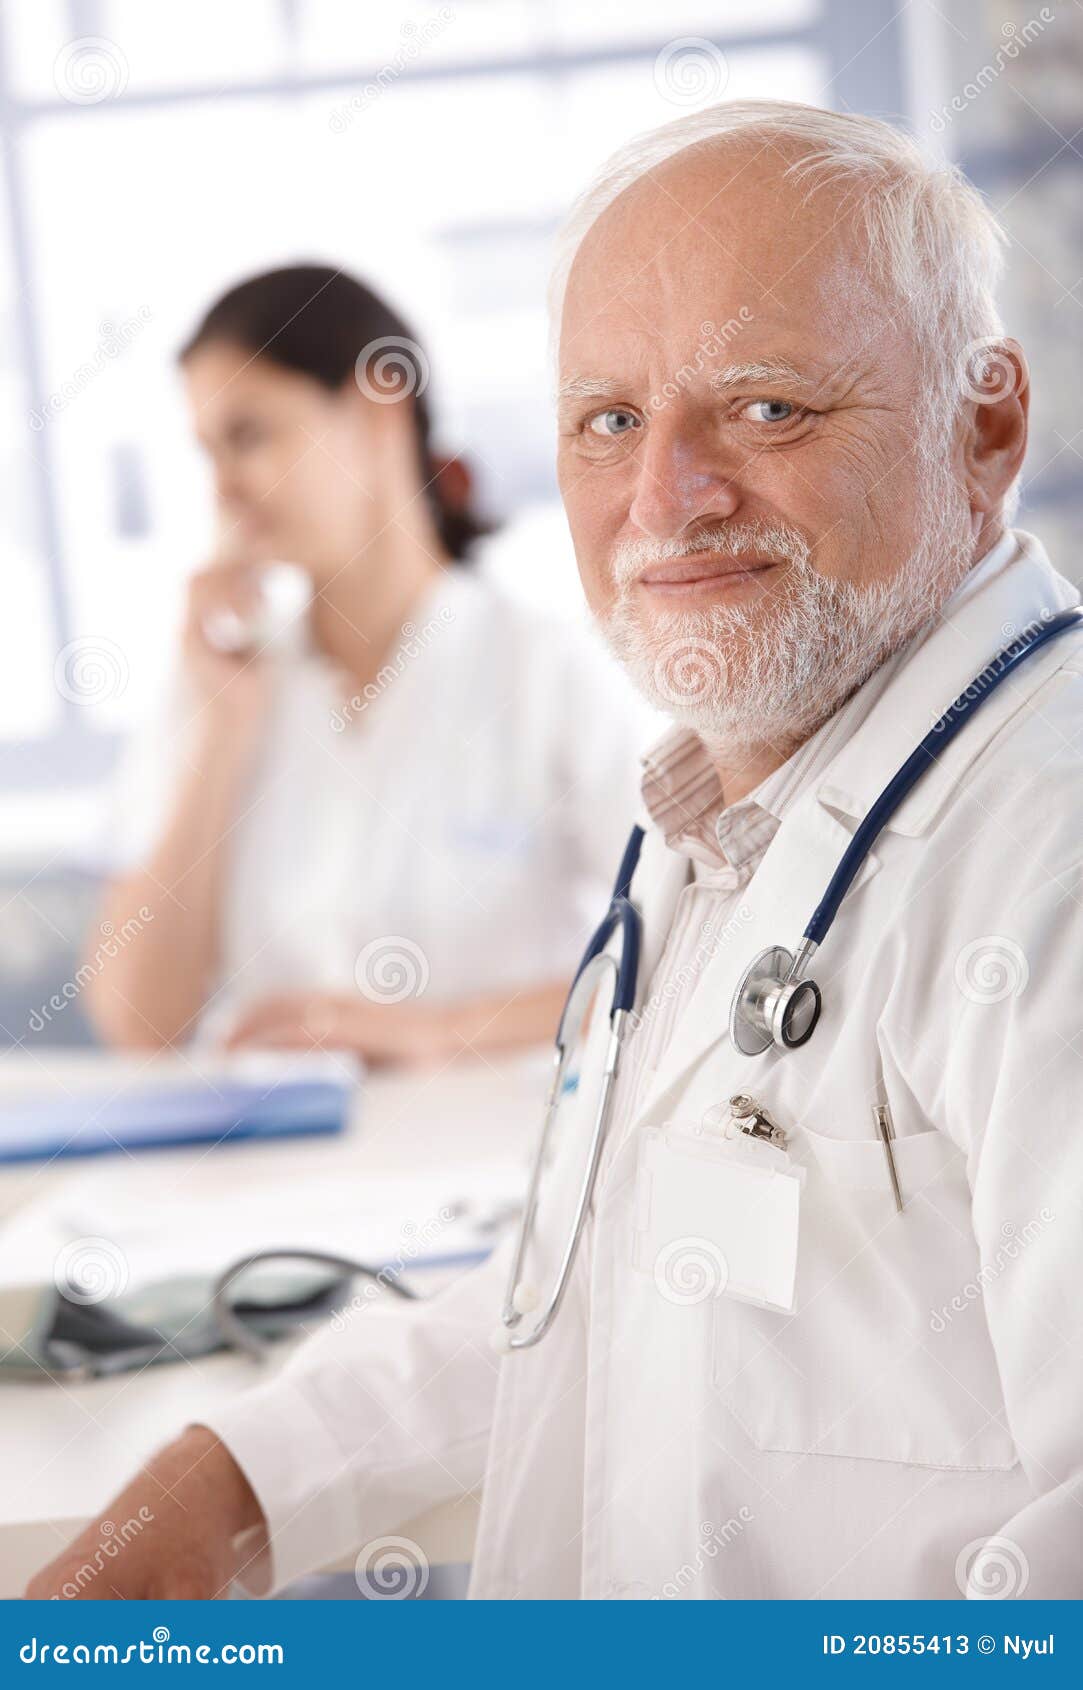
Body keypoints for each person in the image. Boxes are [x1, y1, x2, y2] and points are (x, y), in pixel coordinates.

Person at [31, 101, 1083, 1601]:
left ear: (982, 424)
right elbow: (608, 1275)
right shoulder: (736, 802)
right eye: (607, 422)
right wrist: (234, 1480)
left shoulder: (1043, 854)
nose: (664, 501)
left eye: (767, 407)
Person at [84, 265, 646, 1064]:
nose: (223, 491)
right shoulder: (218, 682)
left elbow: (670, 957)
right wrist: (223, 735)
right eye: (206, 452)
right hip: (263, 1169)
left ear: (378, 404)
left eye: (248, 436)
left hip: (492, 1162)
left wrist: (436, 1034)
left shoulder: (548, 670)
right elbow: (140, 1022)